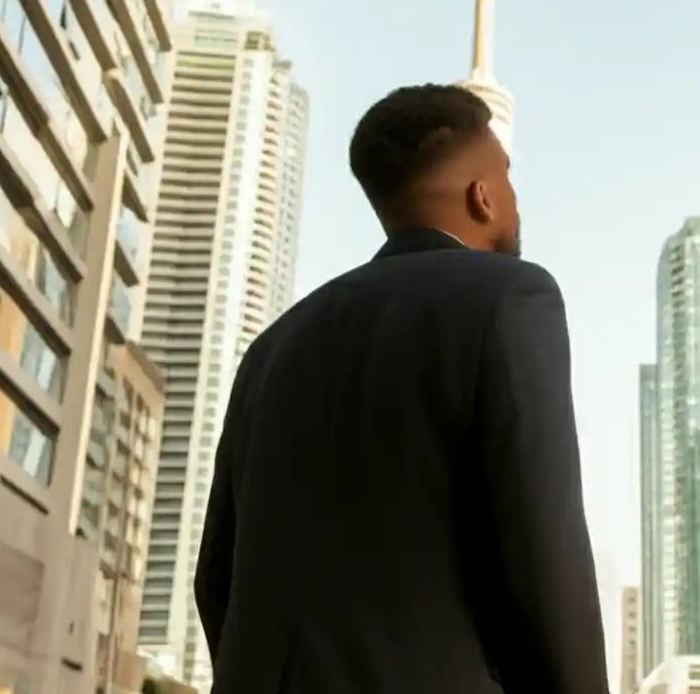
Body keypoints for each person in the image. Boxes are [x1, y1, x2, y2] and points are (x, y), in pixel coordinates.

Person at [194, 84, 609, 693]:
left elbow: (217, 579)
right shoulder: (512, 298)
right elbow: (547, 560)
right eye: (509, 181)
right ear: (483, 196)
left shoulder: (271, 349)